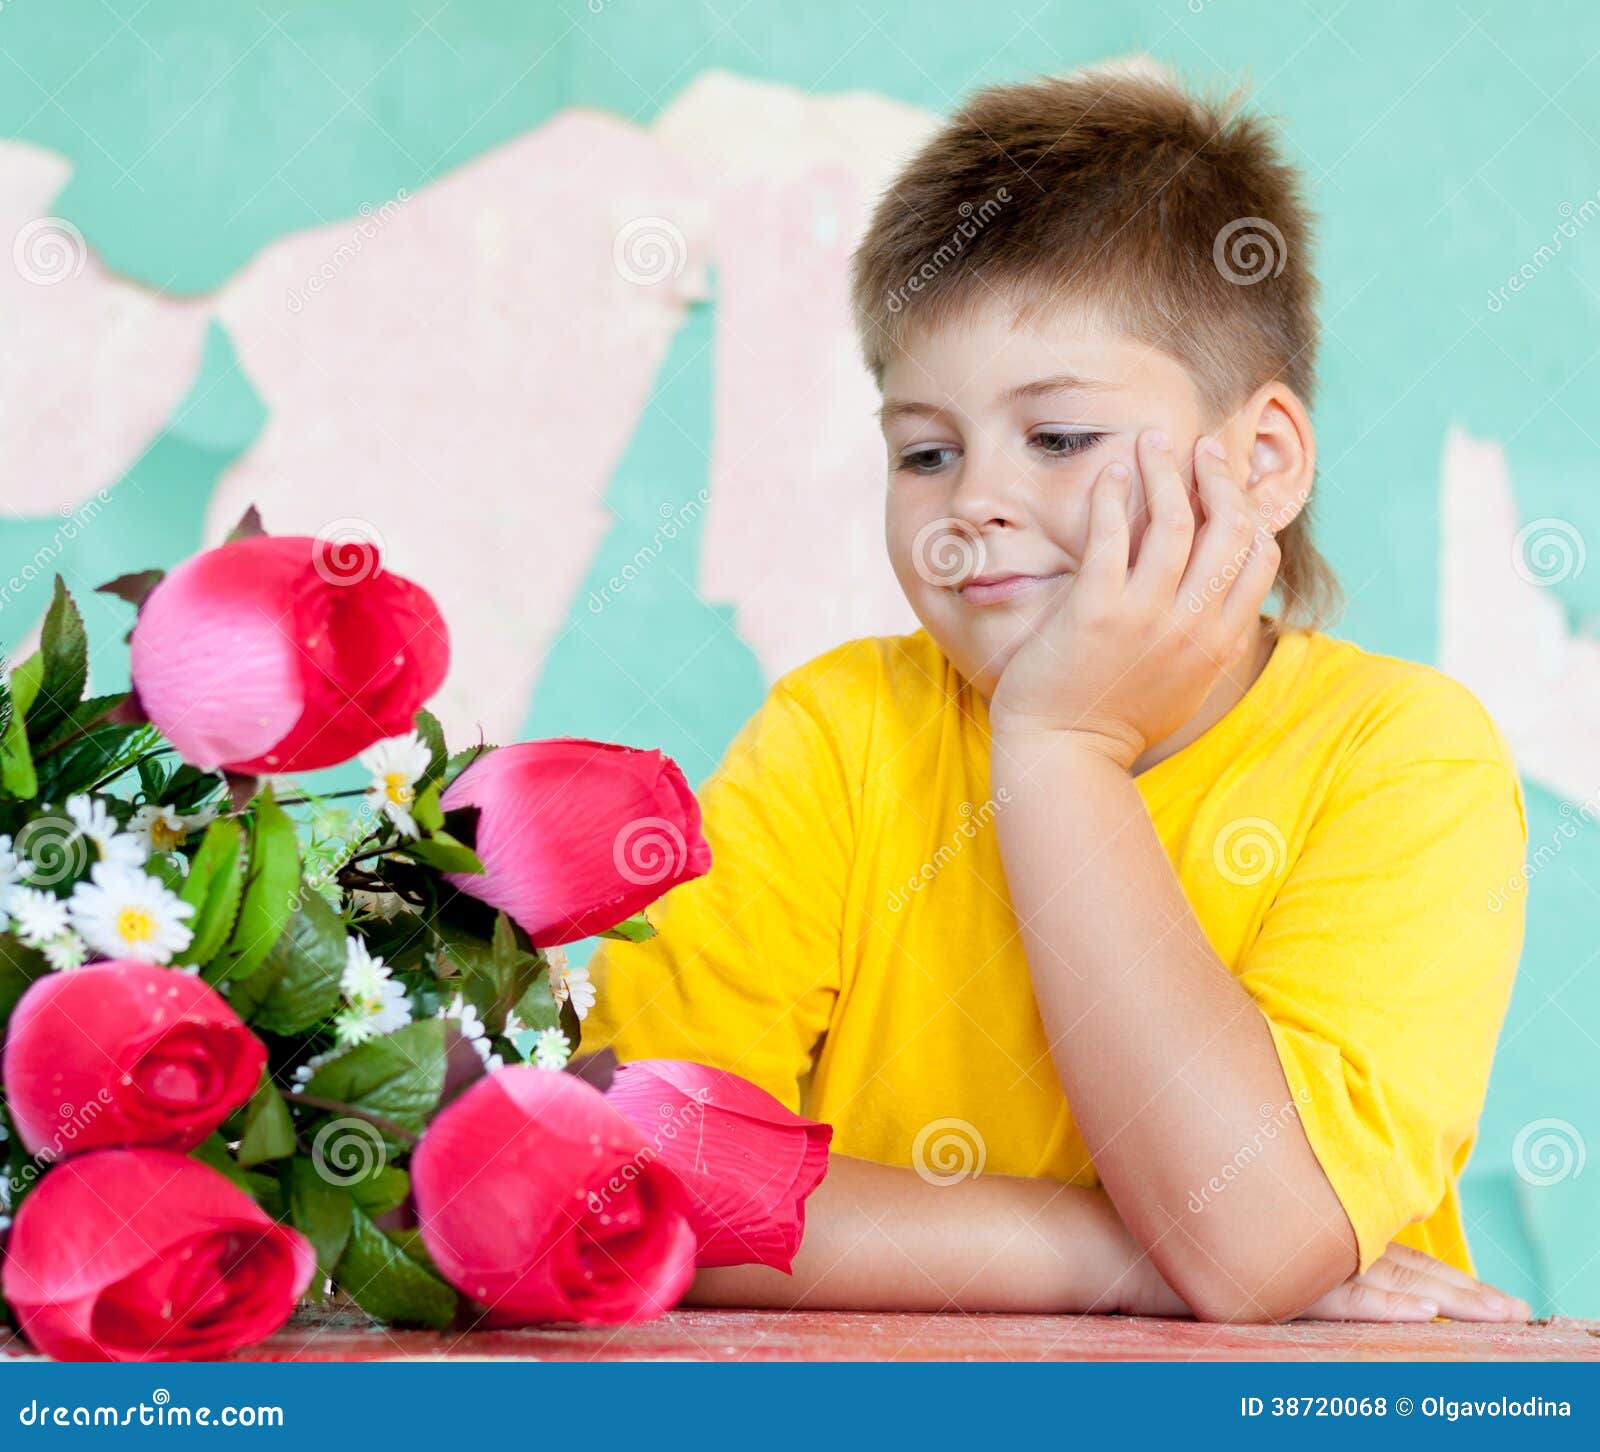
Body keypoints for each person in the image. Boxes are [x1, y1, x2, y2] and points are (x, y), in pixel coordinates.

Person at [586, 66, 1531, 1323]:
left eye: (1059, 437)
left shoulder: (1403, 759)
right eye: (925, 450)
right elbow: (621, 1187)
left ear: (1258, 462)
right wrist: (1126, 1256)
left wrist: (1059, 750)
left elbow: (1250, 1240)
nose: (971, 500)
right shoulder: (837, 736)